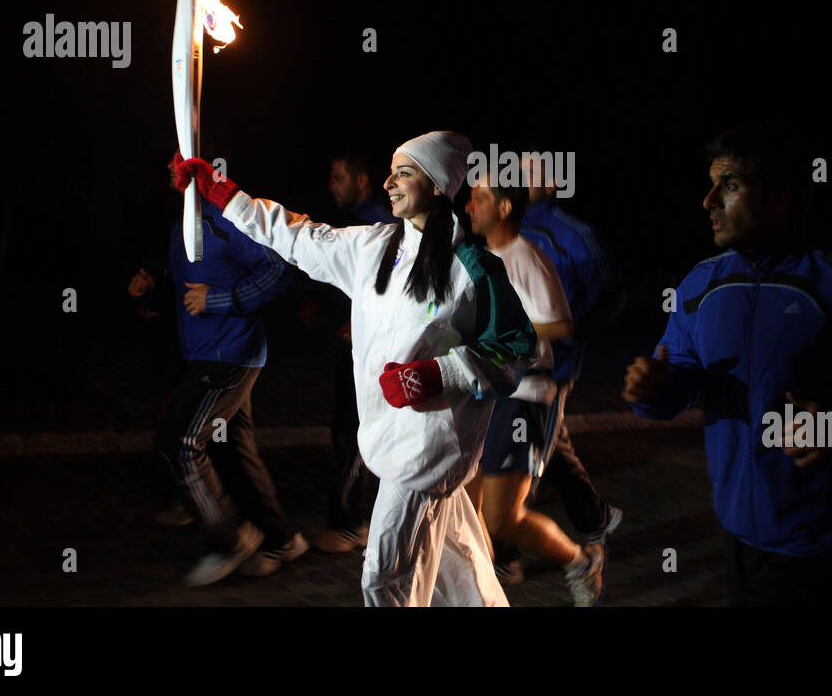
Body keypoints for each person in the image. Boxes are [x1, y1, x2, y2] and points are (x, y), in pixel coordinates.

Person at [175, 131, 539, 606]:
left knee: (383, 580)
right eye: (390, 171)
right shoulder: (373, 248)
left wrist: (438, 374)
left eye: (403, 173)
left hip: (428, 450)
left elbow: (515, 350)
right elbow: (296, 234)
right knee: (461, 571)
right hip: (388, 439)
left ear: (436, 185)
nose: (388, 182)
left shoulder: (471, 268)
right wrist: (225, 194)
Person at [622, 122, 832, 606]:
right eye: (712, 183)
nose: (709, 200)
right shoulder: (698, 286)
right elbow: (679, 380)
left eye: (731, 185)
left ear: (780, 198)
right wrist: (653, 391)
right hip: (738, 525)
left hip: (821, 534)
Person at [140, 155, 306, 586]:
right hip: (205, 354)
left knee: (179, 443)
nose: (171, 179)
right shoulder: (182, 225)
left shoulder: (226, 218)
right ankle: (282, 538)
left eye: (180, 169)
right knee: (234, 451)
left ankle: (230, 539)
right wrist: (152, 294)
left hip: (230, 356)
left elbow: (278, 272)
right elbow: (185, 289)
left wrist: (218, 299)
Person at [463, 174, 606, 605]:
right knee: (466, 512)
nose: (469, 206)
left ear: (504, 207)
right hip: (486, 395)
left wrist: (506, 333)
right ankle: (477, 591)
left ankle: (581, 561)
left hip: (524, 399)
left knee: (503, 519)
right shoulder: (484, 258)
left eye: (479, 198)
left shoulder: (526, 257)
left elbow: (561, 324)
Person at [518, 151, 625, 550]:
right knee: (549, 444)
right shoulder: (511, 227)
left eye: (530, 174)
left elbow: (610, 296)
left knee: (522, 460)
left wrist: (561, 332)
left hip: (551, 370)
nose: (520, 180)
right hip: (511, 365)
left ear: (554, 183)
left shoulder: (574, 235)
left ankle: (504, 556)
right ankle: (595, 517)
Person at [314, 153, 395, 554]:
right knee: (350, 426)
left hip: (366, 347)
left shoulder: (377, 222)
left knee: (352, 429)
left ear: (363, 180)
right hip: (355, 345)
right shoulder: (358, 221)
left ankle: (350, 521)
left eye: (338, 177)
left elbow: (393, 279)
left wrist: (365, 319)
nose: (332, 185)